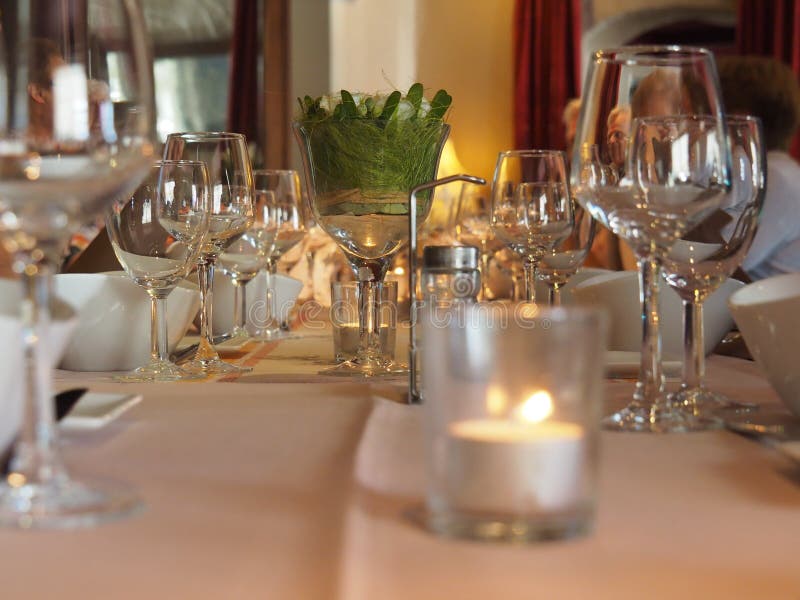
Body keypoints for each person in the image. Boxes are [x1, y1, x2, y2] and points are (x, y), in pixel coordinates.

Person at [718, 55, 800, 279]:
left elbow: (720, 264)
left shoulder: (775, 178)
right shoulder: (777, 172)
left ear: (738, 119)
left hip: (767, 313)